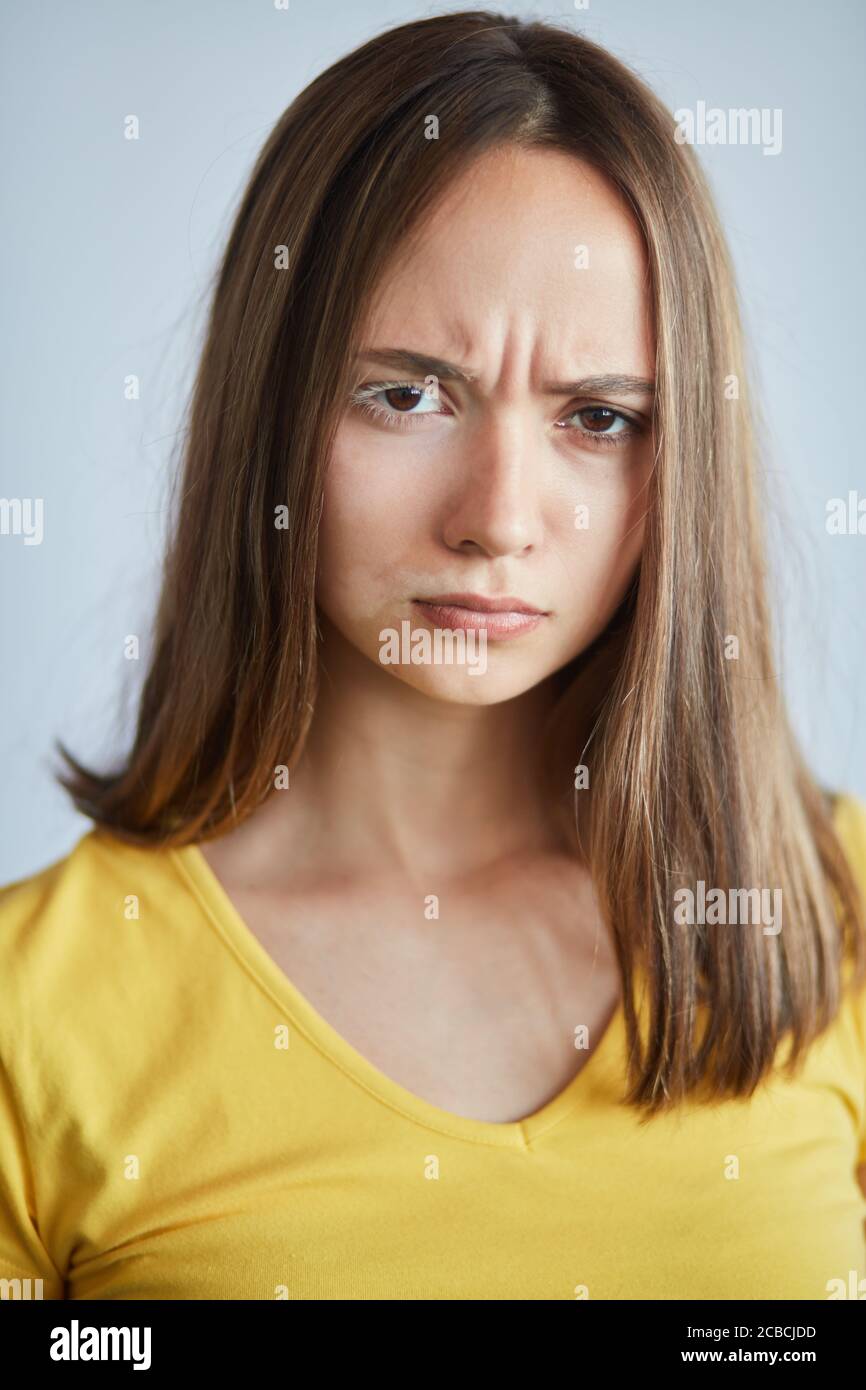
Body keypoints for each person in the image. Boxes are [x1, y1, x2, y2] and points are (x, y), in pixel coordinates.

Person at [1, 10, 864, 1302]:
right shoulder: (30, 1013)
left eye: (597, 417)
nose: (496, 517)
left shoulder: (831, 911)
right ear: (274, 405)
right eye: (405, 393)